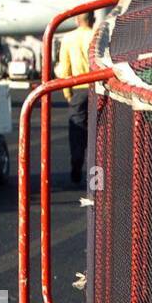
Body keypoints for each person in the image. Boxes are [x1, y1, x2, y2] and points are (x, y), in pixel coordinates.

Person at [55, 11, 95, 183]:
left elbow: (65, 68)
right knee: (97, 129)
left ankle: (76, 162)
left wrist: (68, 93)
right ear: (92, 19)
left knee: (77, 129)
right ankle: (96, 171)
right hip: (97, 87)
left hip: (78, 89)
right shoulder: (98, 35)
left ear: (77, 20)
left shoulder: (68, 39)